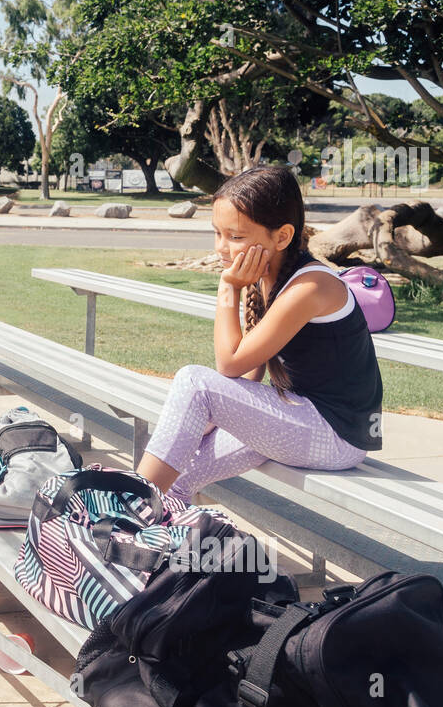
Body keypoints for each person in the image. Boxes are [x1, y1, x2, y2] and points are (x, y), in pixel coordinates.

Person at [135, 165, 383, 506]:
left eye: (235, 237)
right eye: (217, 233)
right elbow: (250, 371)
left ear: (281, 236)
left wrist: (228, 287)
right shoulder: (270, 277)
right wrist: (207, 417)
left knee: (194, 382)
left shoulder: (311, 286)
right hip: (300, 417)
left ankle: (127, 507)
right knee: (179, 479)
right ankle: (147, 540)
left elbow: (229, 364)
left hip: (335, 436)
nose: (221, 248)